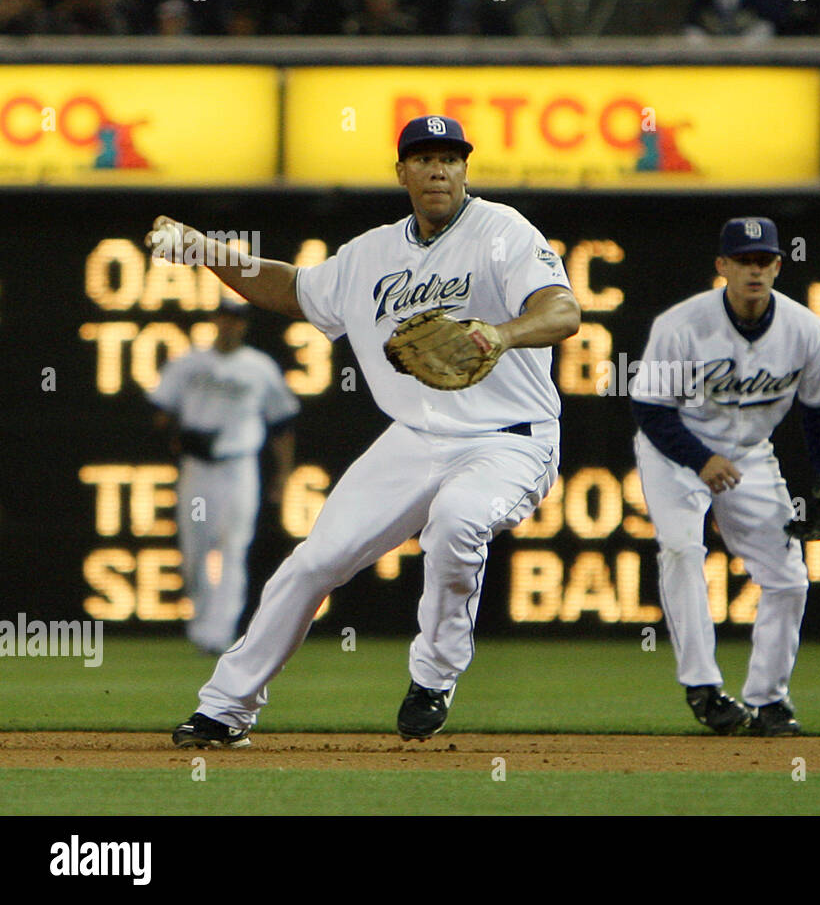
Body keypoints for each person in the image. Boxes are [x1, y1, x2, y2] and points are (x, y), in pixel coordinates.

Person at [154, 114, 580, 748]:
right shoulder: (371, 253)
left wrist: (503, 333)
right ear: (401, 171)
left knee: (458, 522)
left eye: (451, 158)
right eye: (424, 158)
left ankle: (434, 676)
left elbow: (564, 310)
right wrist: (203, 250)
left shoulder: (503, 231)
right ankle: (224, 709)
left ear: (465, 168)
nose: (439, 169)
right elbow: (292, 290)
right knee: (314, 562)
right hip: (415, 437)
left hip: (509, 439)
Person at [630, 218, 820, 737]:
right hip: (675, 452)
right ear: (722, 267)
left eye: (764, 261)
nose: (755, 270)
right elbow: (651, 410)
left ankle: (770, 700)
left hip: (749, 455)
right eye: (744, 261)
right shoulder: (680, 324)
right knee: (682, 550)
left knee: (789, 576)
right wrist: (699, 459)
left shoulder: (804, 329)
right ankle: (703, 688)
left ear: (777, 265)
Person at [149, 299, 298, 657]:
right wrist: (177, 435)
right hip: (198, 470)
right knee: (195, 551)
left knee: (234, 548)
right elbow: (159, 413)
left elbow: (282, 424)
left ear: (243, 325)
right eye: (225, 317)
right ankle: (202, 625)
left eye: (236, 320)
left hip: (239, 467)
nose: (229, 324)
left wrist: (283, 475)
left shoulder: (259, 368)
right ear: (215, 320)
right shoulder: (188, 364)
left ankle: (219, 633)